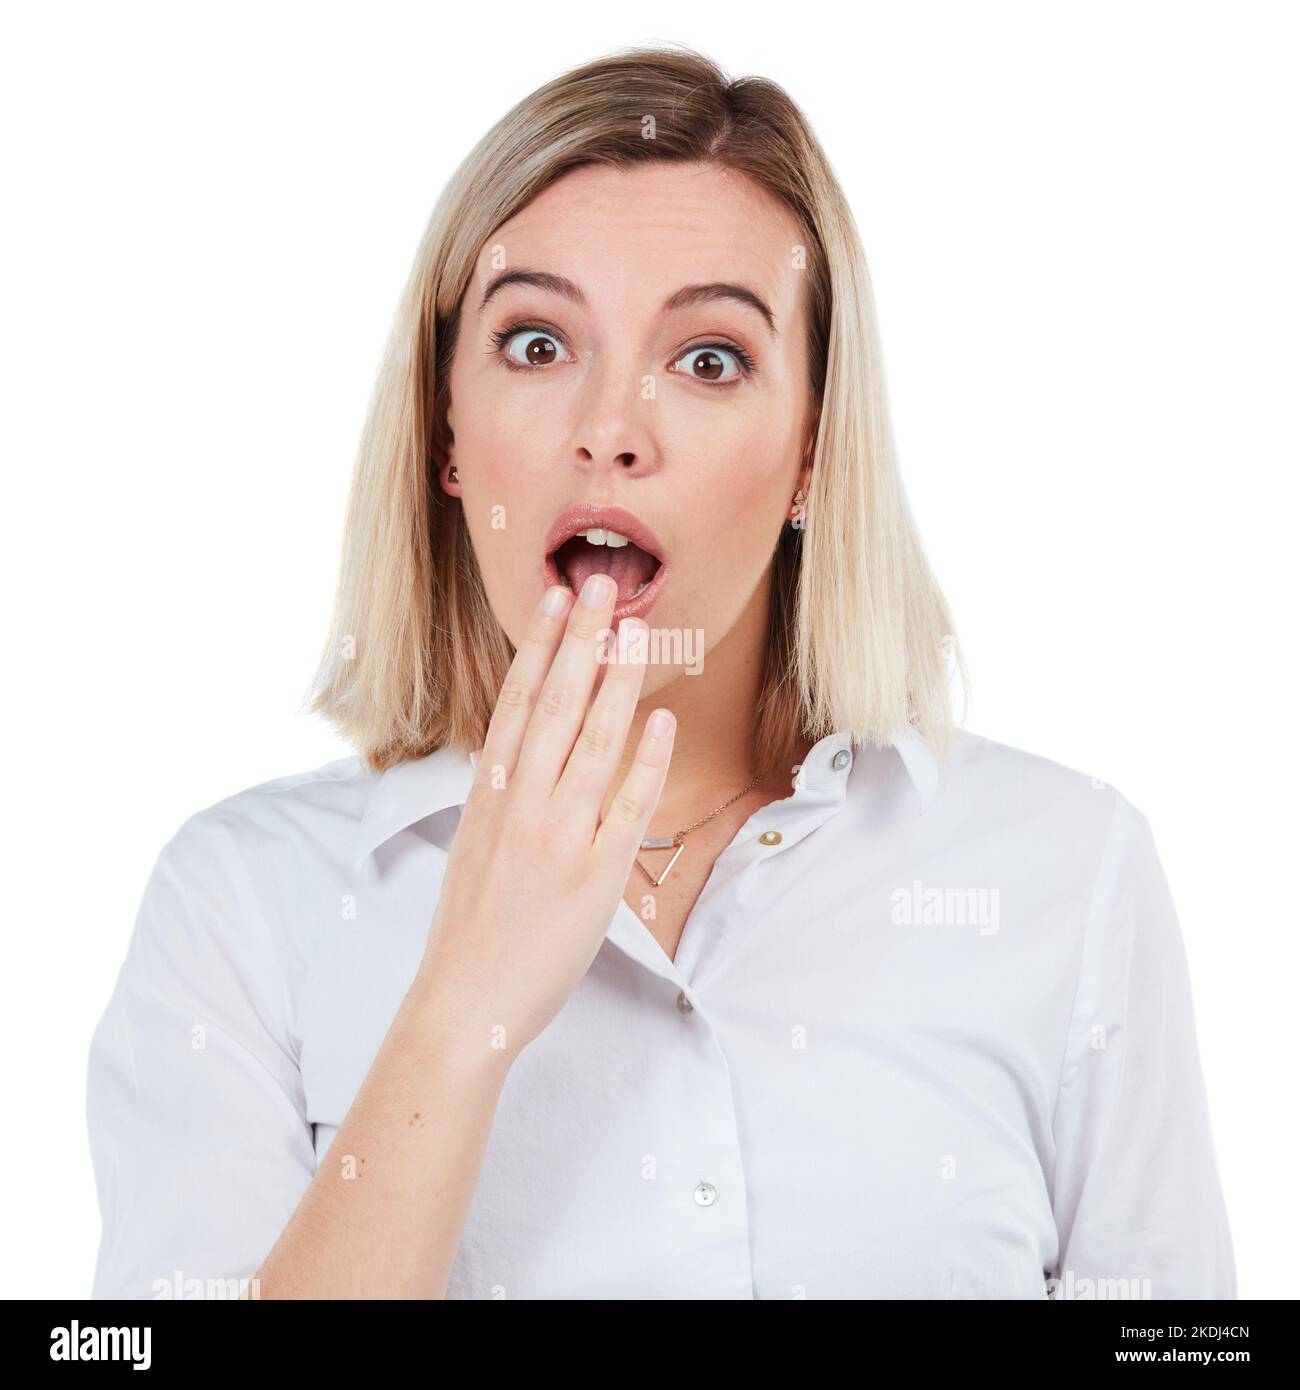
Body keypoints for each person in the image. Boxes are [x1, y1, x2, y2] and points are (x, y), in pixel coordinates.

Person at [85, 43, 1236, 1300]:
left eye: (707, 360)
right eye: (534, 344)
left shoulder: (1069, 874)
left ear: (810, 453)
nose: (610, 429)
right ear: (446, 433)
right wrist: (466, 1001)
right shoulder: (240, 908)